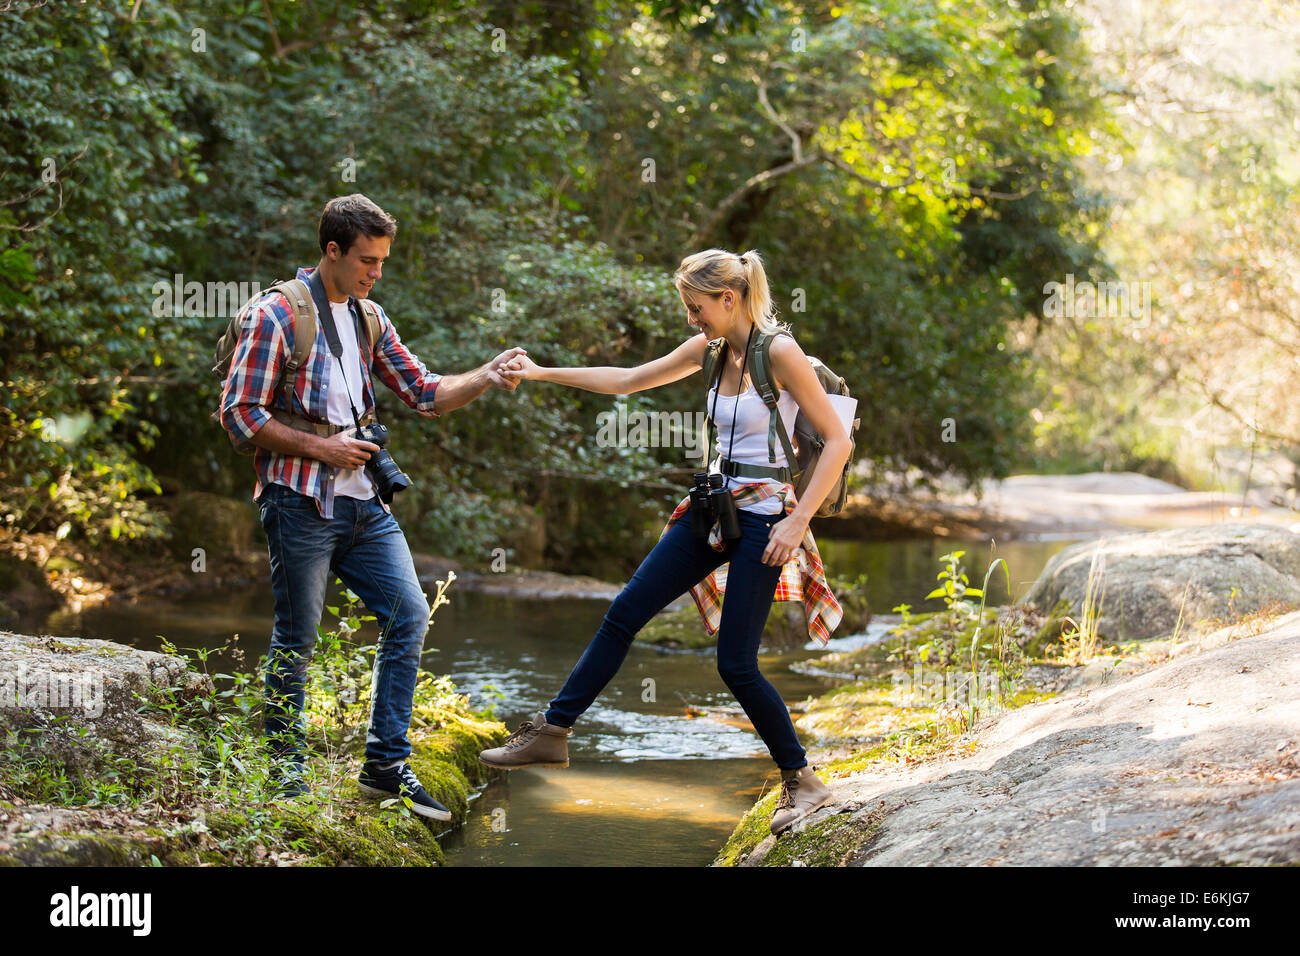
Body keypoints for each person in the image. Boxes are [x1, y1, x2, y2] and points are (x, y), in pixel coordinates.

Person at [478, 248, 852, 835]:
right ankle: (552, 734)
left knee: (736, 664)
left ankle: (803, 782)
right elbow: (628, 380)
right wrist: (541, 372)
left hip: (765, 519)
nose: (691, 318)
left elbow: (836, 440)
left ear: (728, 299)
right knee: (624, 612)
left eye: (696, 306)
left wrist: (797, 521)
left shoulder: (778, 352)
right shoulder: (707, 352)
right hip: (713, 509)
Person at [220, 193, 525, 817]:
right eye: (366, 260)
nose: (375, 272)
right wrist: (321, 449)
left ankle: (385, 766)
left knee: (409, 615)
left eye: (383, 261)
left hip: (364, 504)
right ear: (331, 250)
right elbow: (239, 416)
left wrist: (488, 375)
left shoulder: (369, 319)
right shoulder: (275, 317)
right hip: (299, 501)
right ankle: (284, 771)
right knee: (297, 636)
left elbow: (424, 392)